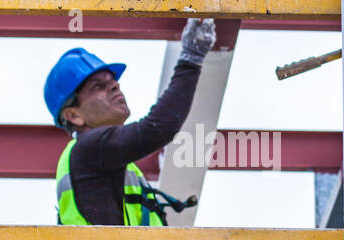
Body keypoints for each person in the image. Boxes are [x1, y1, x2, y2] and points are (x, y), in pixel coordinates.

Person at [44, 18, 216, 225]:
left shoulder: (115, 164)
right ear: (73, 116)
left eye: (113, 82)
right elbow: (158, 128)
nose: (114, 86)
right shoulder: (88, 149)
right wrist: (191, 59)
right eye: (98, 86)